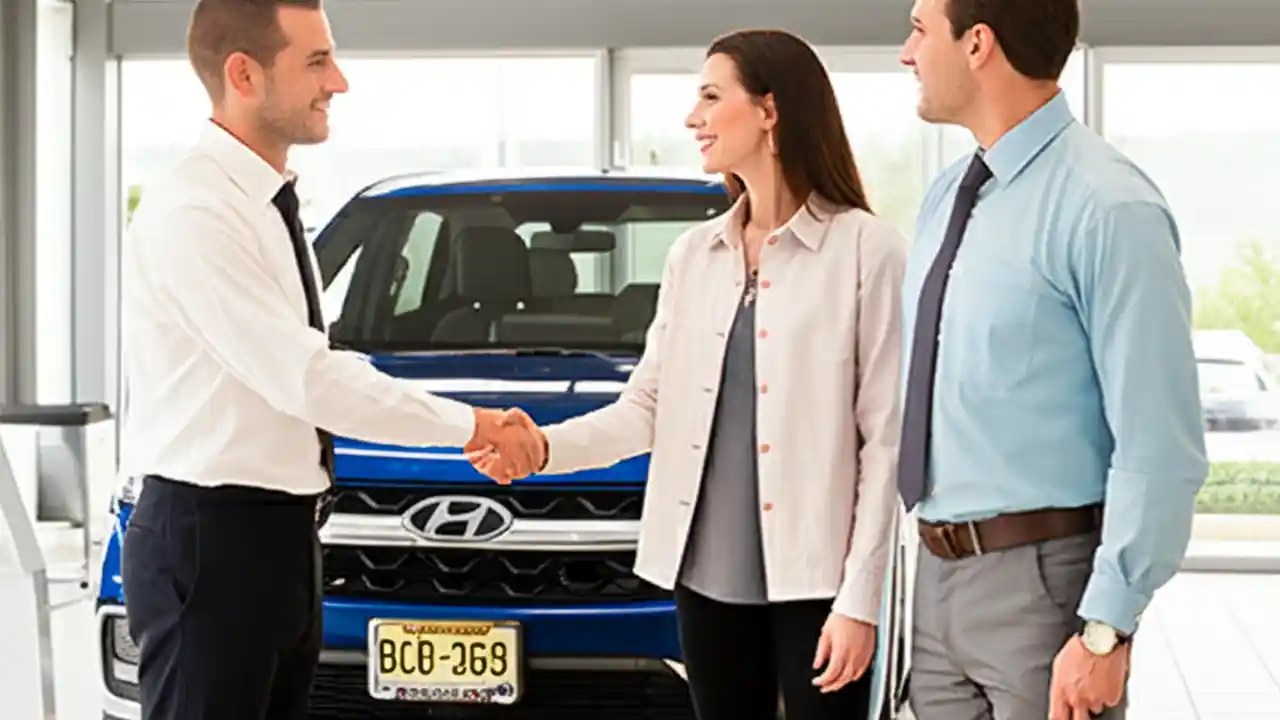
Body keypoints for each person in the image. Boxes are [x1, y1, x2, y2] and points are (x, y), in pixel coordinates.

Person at [117, 2, 543, 718]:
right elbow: (307, 377)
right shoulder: (197, 212)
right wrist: (472, 426)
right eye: (316, 61)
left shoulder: (266, 205)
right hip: (212, 539)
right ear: (243, 74)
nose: (338, 82)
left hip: (283, 535)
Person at [473, 29, 907, 720]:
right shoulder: (694, 256)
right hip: (705, 579)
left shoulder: (867, 251)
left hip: (820, 585)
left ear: (769, 111)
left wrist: (862, 600)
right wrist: (544, 449)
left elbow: (886, 443)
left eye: (711, 96)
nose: (691, 118)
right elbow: (646, 407)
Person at [896, 0, 1209, 718]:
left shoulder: (1109, 206)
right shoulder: (946, 197)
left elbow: (1160, 443)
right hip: (935, 574)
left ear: (978, 43)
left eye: (919, 29)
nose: (906, 53)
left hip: (1044, 581)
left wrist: (1106, 629)